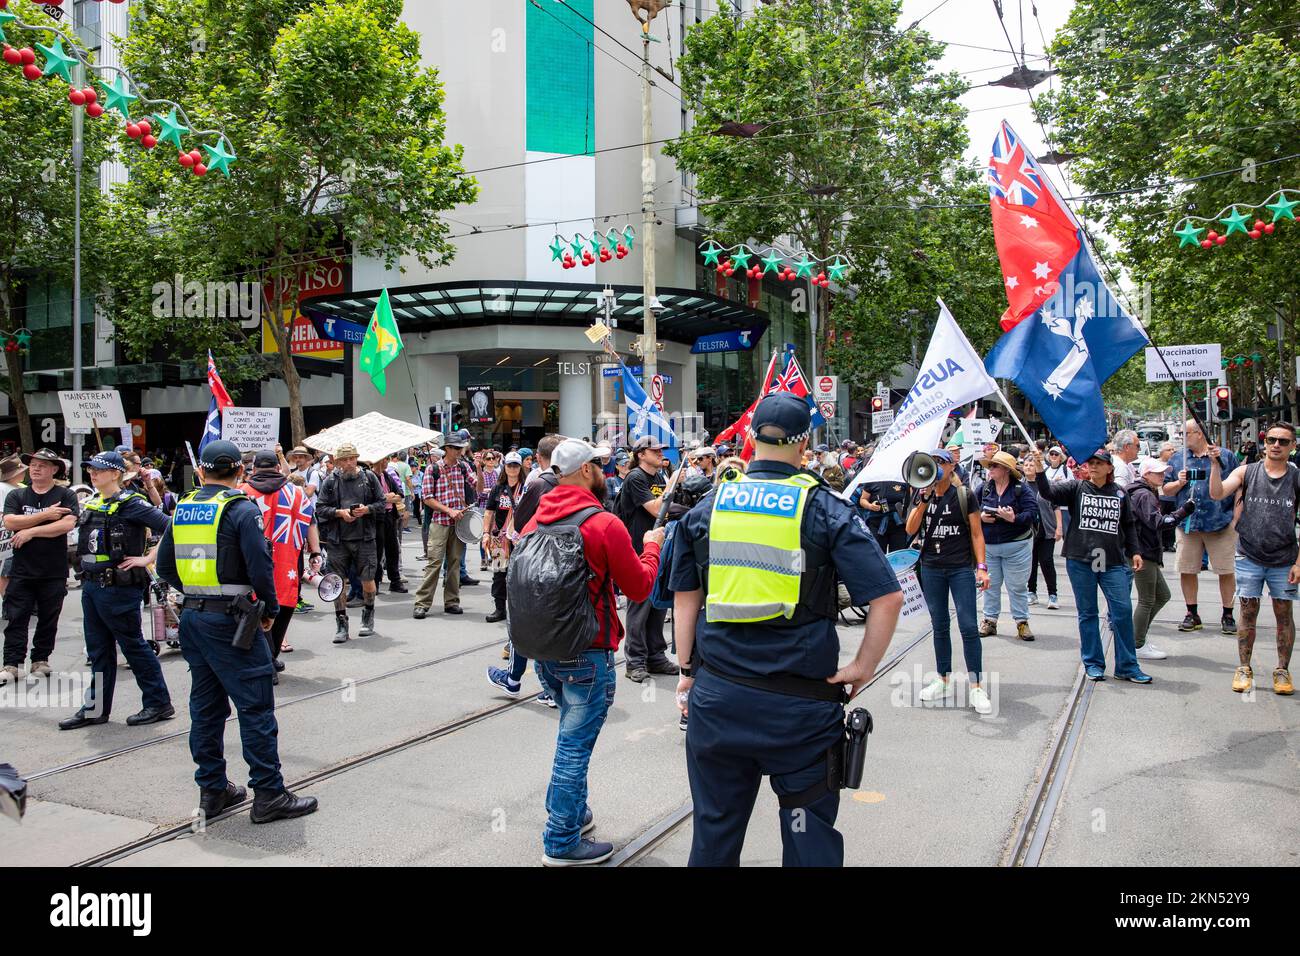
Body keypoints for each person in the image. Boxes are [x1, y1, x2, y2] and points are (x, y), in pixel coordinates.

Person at [669, 393, 903, 867]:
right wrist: (862, 666)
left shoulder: (711, 506)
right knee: (809, 838)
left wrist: (688, 669)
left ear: (751, 438)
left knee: (713, 834)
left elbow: (685, 596)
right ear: (805, 444)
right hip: (802, 712)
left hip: (720, 702)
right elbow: (888, 597)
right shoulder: (826, 509)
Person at [516, 439, 664, 865]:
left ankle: (573, 813)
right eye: (599, 464)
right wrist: (652, 546)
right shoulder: (603, 524)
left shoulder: (535, 521)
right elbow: (638, 587)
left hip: (545, 651)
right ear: (585, 471)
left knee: (569, 735)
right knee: (574, 746)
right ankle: (561, 841)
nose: (604, 470)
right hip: (588, 650)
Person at [155, 439, 317, 823]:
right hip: (234, 619)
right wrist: (270, 608)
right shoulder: (241, 509)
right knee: (255, 705)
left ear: (202, 472)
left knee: (206, 708)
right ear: (239, 472)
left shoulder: (184, 507)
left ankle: (212, 790)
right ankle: (269, 794)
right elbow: (260, 563)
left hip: (194, 616)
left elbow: (164, 566)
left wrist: (196, 592)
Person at [58, 451, 173, 729]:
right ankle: (95, 709)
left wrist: (148, 558)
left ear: (115, 473)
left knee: (132, 646)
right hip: (92, 585)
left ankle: (158, 703)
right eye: (90, 469)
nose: (92, 474)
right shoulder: (94, 502)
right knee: (98, 650)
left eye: (98, 469)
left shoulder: (131, 504)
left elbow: (172, 526)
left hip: (118, 588)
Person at [1030, 449, 1149, 683]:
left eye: (1099, 463)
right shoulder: (1076, 488)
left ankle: (1127, 665)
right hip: (1081, 559)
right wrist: (1039, 469)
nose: (1093, 467)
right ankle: (1093, 663)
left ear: (1109, 468)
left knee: (1122, 611)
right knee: (1088, 613)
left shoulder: (1120, 493)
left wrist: (1135, 551)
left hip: (1112, 560)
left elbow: (1129, 524)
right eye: (1091, 463)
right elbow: (1047, 492)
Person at [1209, 421, 1298, 695]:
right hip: (1249, 556)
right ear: (1264, 443)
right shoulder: (1246, 471)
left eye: (1283, 441)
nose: (1276, 445)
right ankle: (1244, 668)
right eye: (1272, 440)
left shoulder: (1296, 478)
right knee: (1248, 612)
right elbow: (1217, 493)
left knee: (1284, 614)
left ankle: (1282, 670)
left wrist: (1298, 562)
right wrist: (1214, 465)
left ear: (1292, 447)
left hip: (1284, 559)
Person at [905, 449, 993, 713]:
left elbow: (977, 534)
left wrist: (981, 567)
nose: (936, 467)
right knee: (939, 625)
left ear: (952, 465)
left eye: (941, 462)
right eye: (933, 462)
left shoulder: (965, 495)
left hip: (959, 569)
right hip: (931, 568)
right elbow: (910, 529)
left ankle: (976, 687)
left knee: (967, 625)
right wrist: (922, 499)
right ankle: (943, 679)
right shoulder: (923, 495)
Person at [239, 450, 320, 681]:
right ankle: (271, 657)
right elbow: (311, 522)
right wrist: (315, 552)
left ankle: (266, 661)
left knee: (257, 609)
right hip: (288, 562)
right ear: (278, 468)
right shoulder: (296, 493)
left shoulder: (241, 492)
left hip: (252, 563)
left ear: (253, 469)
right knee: (283, 606)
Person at [1, 450, 79, 685]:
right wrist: (47, 514)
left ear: (54, 469)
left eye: (42, 465)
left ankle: (40, 659)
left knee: (48, 618)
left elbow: (66, 524)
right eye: (33, 465)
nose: (35, 469)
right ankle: (11, 664)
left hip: (53, 570)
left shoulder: (65, 495)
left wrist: (30, 531)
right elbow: (10, 521)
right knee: (16, 618)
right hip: (21, 569)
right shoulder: (17, 495)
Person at [617, 435, 687, 682]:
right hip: (638, 548)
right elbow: (657, 508)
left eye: (660, 449)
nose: (660, 453)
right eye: (654, 450)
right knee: (640, 605)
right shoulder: (635, 478)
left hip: (657, 546)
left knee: (657, 604)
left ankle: (655, 655)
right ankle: (634, 660)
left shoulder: (658, 477)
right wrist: (672, 484)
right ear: (640, 454)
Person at [1162, 419, 1239, 634]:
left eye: (1186, 433)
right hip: (1188, 524)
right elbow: (1165, 490)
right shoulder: (1178, 458)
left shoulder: (1224, 456)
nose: (1183, 438)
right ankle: (1191, 612)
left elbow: (1239, 485)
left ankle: (1228, 614)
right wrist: (1179, 483)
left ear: (1199, 434)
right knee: (1187, 570)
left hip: (1220, 522)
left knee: (1226, 571)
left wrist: (1235, 519)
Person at [1128, 457, 1197, 662]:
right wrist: (1183, 511)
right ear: (1146, 474)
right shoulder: (1143, 494)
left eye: (1163, 472)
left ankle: (1137, 637)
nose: (1163, 475)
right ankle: (1136, 643)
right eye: (1158, 472)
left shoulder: (1144, 492)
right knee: (1148, 599)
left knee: (1161, 595)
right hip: (1143, 553)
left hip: (1145, 551)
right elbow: (1159, 522)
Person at [315, 443, 385, 642]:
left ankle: (367, 618)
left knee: (368, 581)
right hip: (338, 540)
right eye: (344, 460)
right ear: (337, 462)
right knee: (337, 584)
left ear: (357, 458)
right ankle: (341, 624)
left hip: (365, 539)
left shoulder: (369, 477)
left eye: (352, 458)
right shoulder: (330, 481)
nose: (348, 463)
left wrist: (367, 509)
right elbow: (320, 508)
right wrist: (339, 513)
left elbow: (382, 503)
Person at [413, 429, 483, 618]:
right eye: (457, 448)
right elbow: (427, 498)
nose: (460, 451)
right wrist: (448, 510)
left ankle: (452, 601)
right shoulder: (433, 468)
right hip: (440, 522)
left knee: (454, 563)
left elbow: (479, 488)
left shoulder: (463, 467)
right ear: (448, 449)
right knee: (434, 562)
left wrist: (479, 468)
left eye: (461, 447)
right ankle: (422, 603)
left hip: (459, 523)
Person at [977, 451, 1038, 641]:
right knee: (989, 585)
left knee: (1017, 586)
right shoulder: (984, 488)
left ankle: (1022, 622)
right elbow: (970, 511)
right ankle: (989, 620)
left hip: (1017, 546)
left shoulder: (1021, 489)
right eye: (990, 466)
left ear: (1006, 470)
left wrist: (1013, 518)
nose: (990, 469)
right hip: (990, 547)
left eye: (994, 466)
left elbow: (1032, 514)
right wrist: (981, 517)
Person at [482, 451, 525, 624]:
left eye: (515, 465)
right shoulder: (497, 489)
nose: (512, 468)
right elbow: (489, 512)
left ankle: (519, 610)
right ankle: (500, 609)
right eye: (510, 465)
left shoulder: (527, 487)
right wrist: (485, 533)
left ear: (520, 467)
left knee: (520, 574)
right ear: (505, 466)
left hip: (520, 539)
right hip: (500, 538)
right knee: (499, 574)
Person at [371, 453, 407, 593]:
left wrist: (390, 498)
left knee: (393, 549)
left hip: (390, 516)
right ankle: (376, 581)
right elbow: (373, 498)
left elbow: (399, 494)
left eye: (387, 459)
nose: (386, 462)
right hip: (377, 517)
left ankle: (395, 580)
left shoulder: (387, 475)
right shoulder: (370, 476)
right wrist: (386, 498)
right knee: (377, 551)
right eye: (384, 459)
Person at [0, 454, 28, 599]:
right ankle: (8, 602)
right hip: (7, 537)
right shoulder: (3, 488)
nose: (24, 473)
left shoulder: (20, 487)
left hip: (21, 536)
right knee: (6, 572)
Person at [857, 480, 911, 553]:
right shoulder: (873, 480)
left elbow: (911, 500)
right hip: (877, 524)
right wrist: (870, 506)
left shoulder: (901, 479)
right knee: (879, 555)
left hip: (898, 524)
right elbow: (863, 499)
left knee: (899, 556)